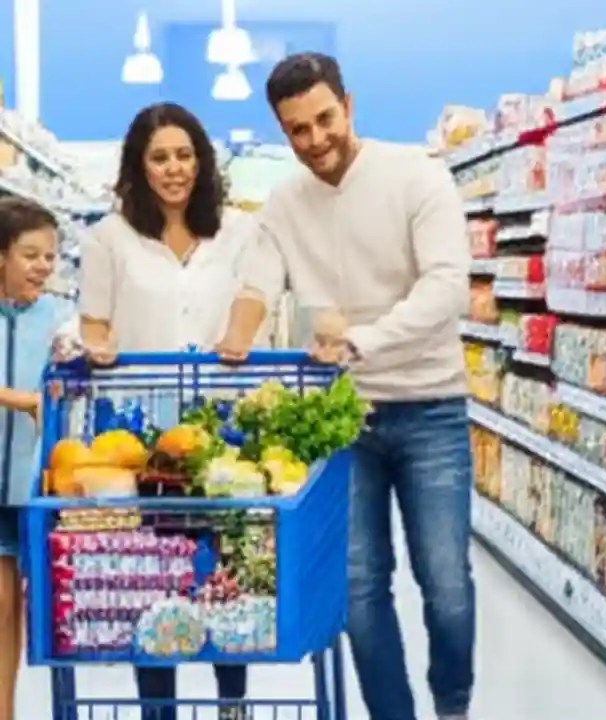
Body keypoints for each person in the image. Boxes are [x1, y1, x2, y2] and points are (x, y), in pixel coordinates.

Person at [216, 52, 475, 720]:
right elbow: (257, 283)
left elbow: (447, 287)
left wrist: (361, 341)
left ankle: (453, 700)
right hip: (340, 419)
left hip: (430, 408)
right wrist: (235, 341)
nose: (315, 140)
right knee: (358, 588)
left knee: (445, 585)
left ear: (349, 106)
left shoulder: (416, 177)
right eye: (297, 129)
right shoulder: (285, 201)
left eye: (324, 119)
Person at [78, 102, 259, 720]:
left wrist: (237, 337)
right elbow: (94, 323)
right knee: (151, 582)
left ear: (202, 161)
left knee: (224, 576)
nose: (174, 168)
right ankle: (159, 710)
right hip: (139, 434)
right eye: (159, 157)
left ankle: (232, 703)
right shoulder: (108, 237)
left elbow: (252, 301)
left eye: (184, 155)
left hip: (221, 434)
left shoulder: (236, 231)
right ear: (138, 165)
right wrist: (93, 347)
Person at [0, 196, 77, 720]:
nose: (44, 267)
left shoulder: (58, 320)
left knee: (33, 613)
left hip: (34, 490)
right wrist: (18, 399)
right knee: (2, 608)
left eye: (51, 256)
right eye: (31, 255)